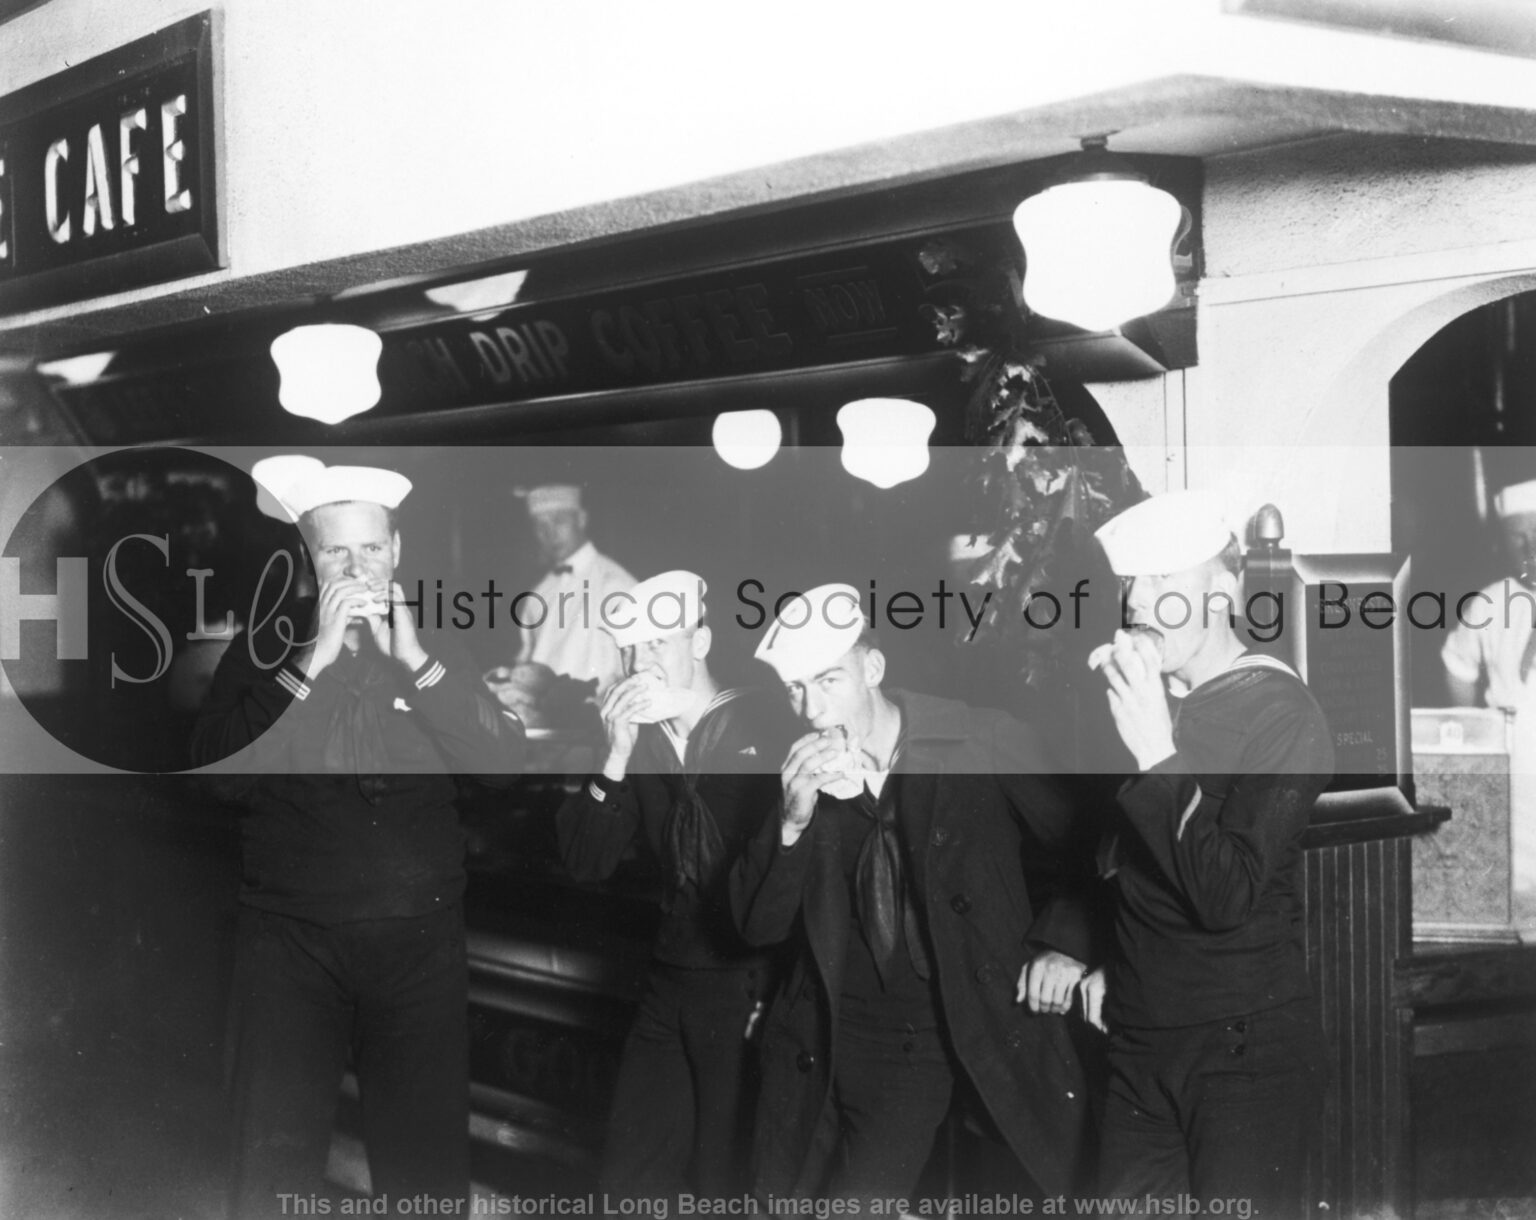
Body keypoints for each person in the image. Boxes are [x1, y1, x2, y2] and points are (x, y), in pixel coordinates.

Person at [192, 463, 525, 1219]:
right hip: (291, 941)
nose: (358, 569)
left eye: (371, 550)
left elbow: (505, 769)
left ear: (397, 552)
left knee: (426, 1171)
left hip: (417, 942)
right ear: (312, 563)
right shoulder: (267, 649)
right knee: (270, 1166)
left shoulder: (432, 643)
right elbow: (217, 777)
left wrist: (417, 661)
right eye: (337, 554)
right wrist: (308, 664)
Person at [730, 584, 1093, 1204]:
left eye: (828, 681)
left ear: (872, 668)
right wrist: (791, 822)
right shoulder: (799, 775)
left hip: (925, 1037)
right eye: (796, 690)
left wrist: (1067, 944)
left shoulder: (978, 742)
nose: (812, 710)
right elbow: (756, 926)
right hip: (822, 1032)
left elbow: (1090, 843)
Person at [1051, 489, 1334, 1219]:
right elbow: (1128, 862)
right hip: (1140, 1038)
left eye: (1162, 588)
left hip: (1242, 1050)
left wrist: (1154, 751)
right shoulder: (1150, 703)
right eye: (1131, 591)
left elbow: (1226, 893)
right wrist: (1112, 957)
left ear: (1222, 595)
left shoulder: (1282, 712)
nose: (1138, 607)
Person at [556, 570, 794, 1198]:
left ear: (702, 640)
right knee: (629, 1177)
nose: (641, 662)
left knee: (724, 1179)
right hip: (668, 980)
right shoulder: (638, 738)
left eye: (658, 643)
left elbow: (804, 873)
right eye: (630, 649)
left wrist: (781, 991)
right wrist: (613, 756)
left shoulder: (768, 722)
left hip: (748, 983)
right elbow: (586, 862)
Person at [1442, 477, 1536, 929]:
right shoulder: (1490, 603)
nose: (1531, 548)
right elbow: (1458, 669)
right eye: (1519, 538)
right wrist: (1481, 735)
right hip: (1510, 778)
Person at [492, 483, 635, 700]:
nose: (550, 534)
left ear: (581, 519)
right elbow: (528, 661)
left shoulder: (618, 586)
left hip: (595, 724)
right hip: (540, 723)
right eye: (541, 526)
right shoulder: (538, 593)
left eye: (559, 521)